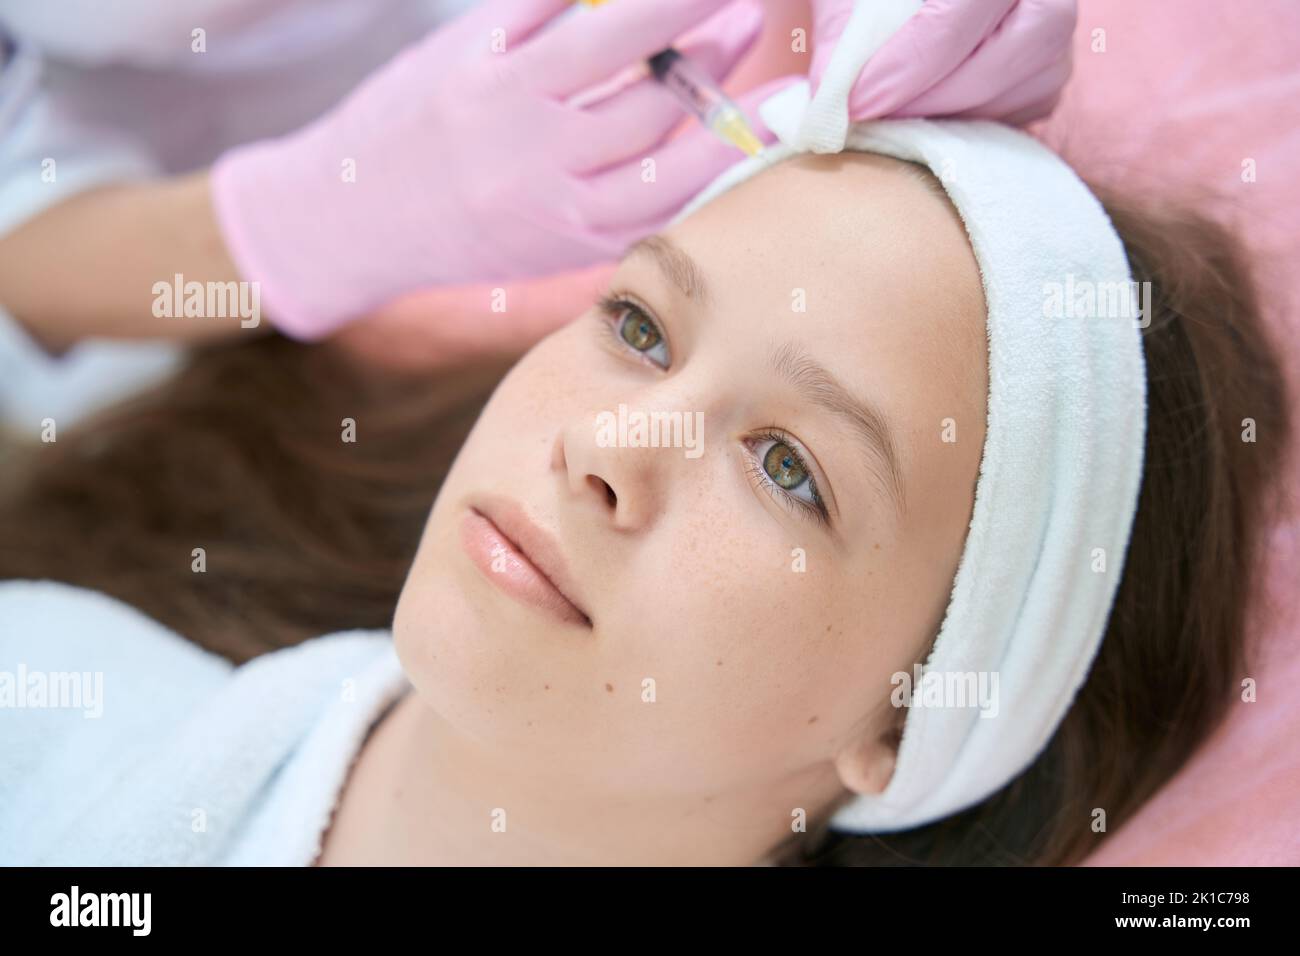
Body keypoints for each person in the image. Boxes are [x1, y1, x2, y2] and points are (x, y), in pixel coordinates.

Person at [0, 138, 1289, 864]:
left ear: (912, 721)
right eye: (640, 323)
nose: (609, 447)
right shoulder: (47, 699)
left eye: (790, 468)